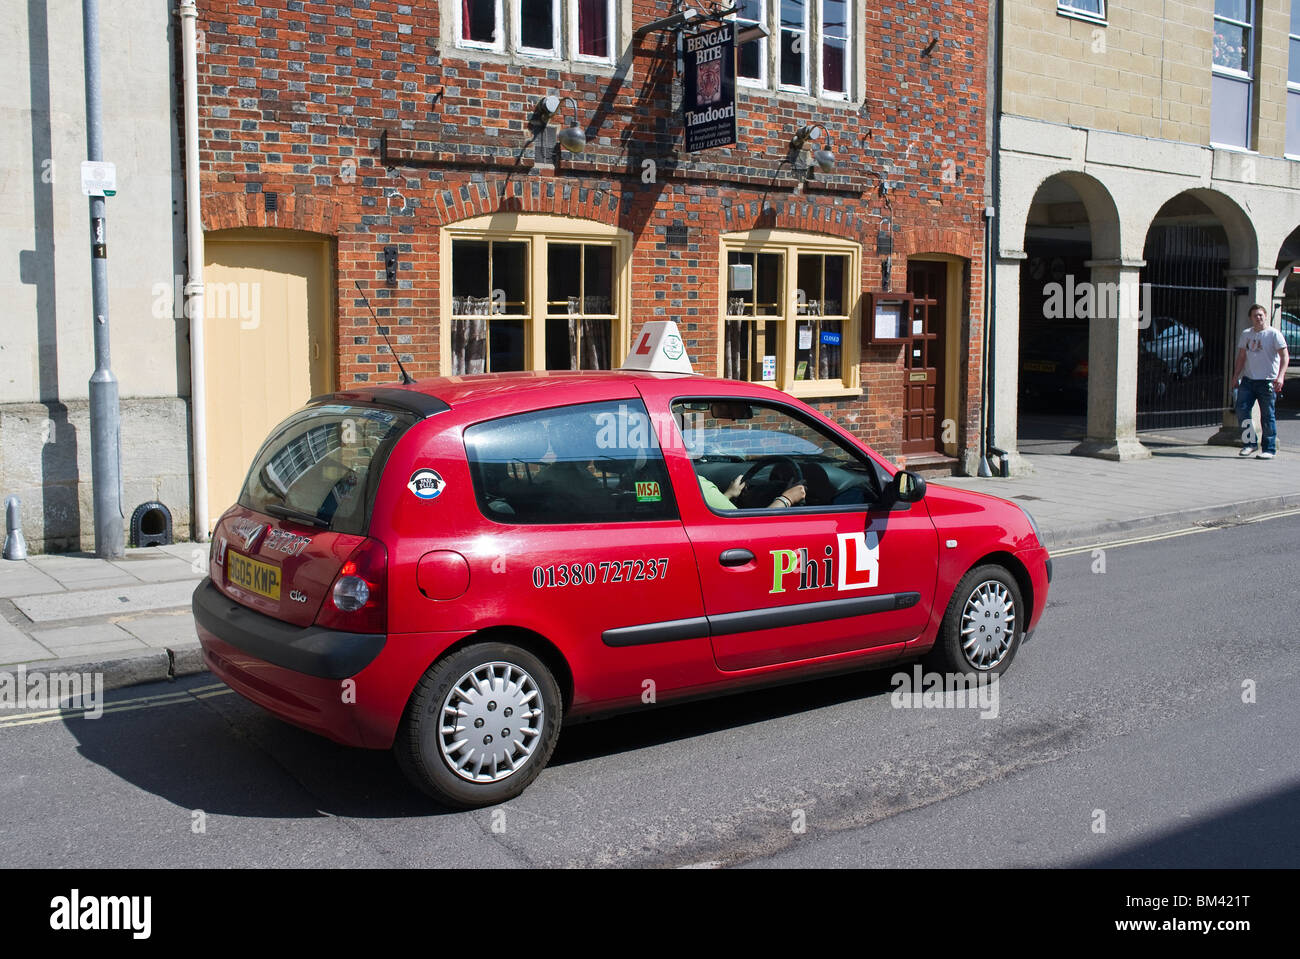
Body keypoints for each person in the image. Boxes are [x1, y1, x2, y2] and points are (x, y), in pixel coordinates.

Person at [1231, 303, 1290, 459]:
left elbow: (1285, 357)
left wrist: (1281, 376)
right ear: (1250, 318)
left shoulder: (1274, 334)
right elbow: (1242, 357)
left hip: (1267, 381)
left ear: (1265, 316)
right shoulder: (1246, 334)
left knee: (1267, 415)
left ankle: (1269, 448)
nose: (1258, 318)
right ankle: (1249, 443)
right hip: (1249, 380)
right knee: (1242, 410)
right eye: (1255, 315)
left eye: (1260, 315)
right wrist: (1236, 375)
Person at [698, 470, 806, 510]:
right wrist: (787, 499)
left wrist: (728, 494)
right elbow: (747, 528)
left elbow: (702, 512)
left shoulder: (686, 482)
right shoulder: (698, 484)